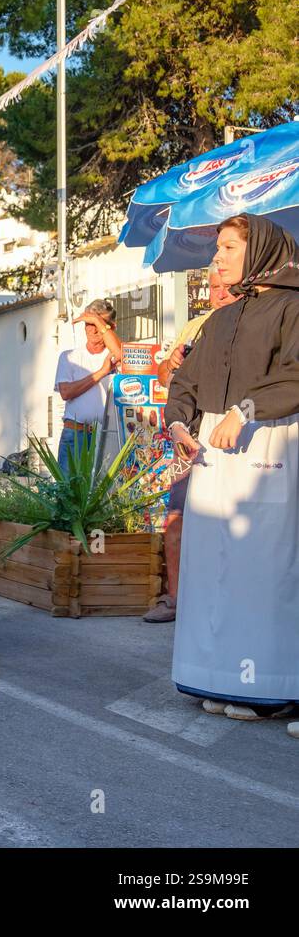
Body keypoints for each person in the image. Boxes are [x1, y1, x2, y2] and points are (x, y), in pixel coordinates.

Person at [165, 213, 299, 723]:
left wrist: (245, 409)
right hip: (213, 452)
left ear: (260, 249)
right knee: (213, 567)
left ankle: (271, 685)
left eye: (226, 247)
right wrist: (179, 425)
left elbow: (296, 372)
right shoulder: (221, 318)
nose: (215, 257)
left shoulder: (292, 306)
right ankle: (215, 675)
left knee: (261, 568)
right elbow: (186, 383)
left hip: (269, 439)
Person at [143, 270, 240, 624]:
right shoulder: (195, 327)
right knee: (176, 520)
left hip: (234, 439)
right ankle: (175, 599)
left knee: (232, 523)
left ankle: (229, 602)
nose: (220, 293)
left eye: (227, 287)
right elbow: (166, 380)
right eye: (214, 287)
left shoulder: (252, 323)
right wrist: (171, 365)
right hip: (191, 440)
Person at [53, 299, 123, 475]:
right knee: (68, 494)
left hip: (108, 434)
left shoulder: (114, 354)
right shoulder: (70, 357)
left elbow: (122, 355)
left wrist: (99, 321)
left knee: (107, 494)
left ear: (111, 327)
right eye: (88, 323)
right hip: (76, 434)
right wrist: (102, 372)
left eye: (97, 323)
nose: (93, 329)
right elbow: (66, 392)